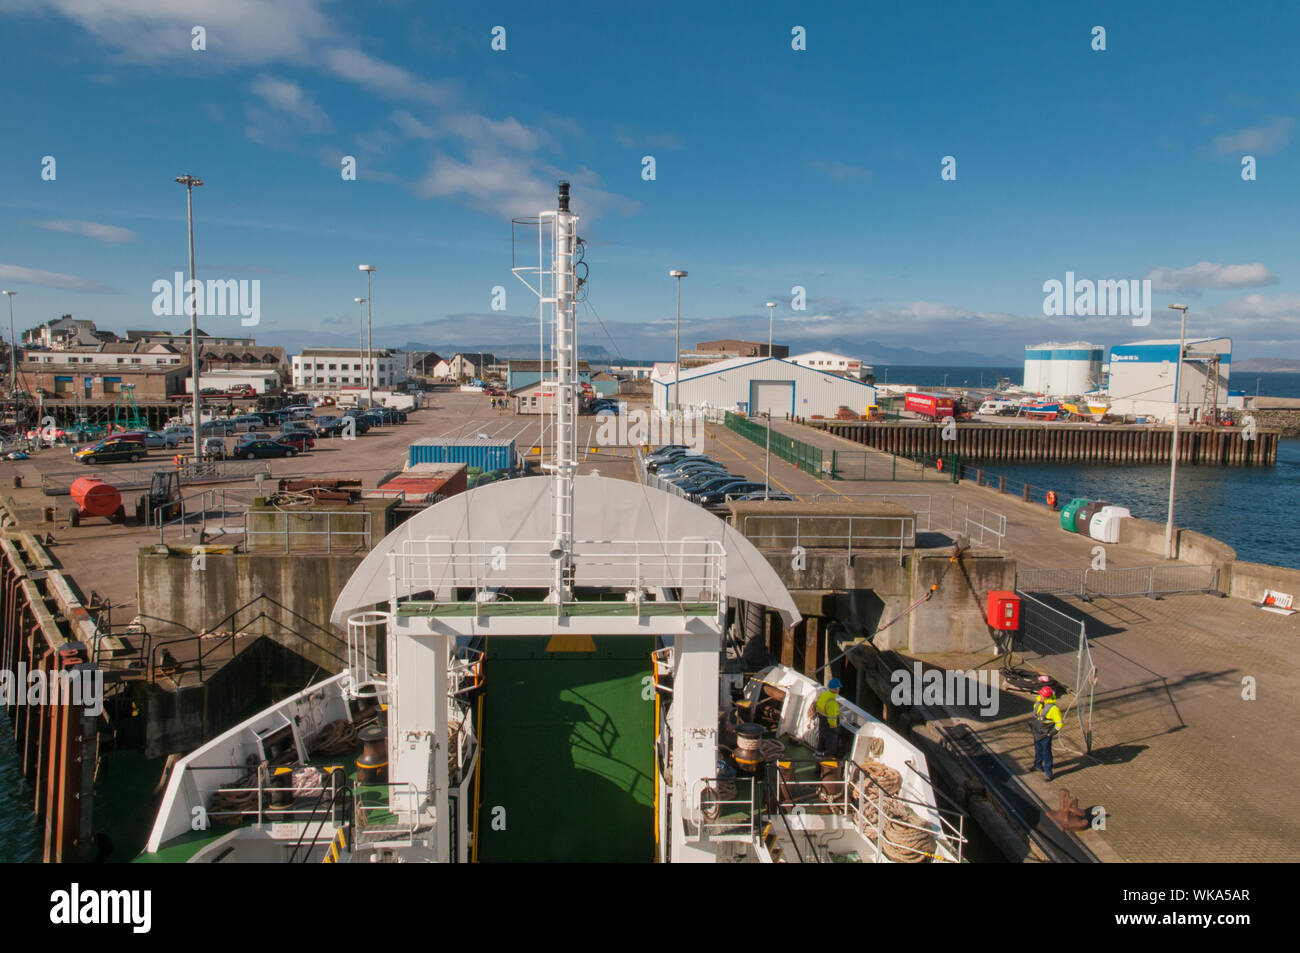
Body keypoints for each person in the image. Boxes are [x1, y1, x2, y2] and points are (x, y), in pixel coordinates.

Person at [1031, 686, 1063, 780]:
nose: (1040, 696)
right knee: (1038, 750)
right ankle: (1038, 765)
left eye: (1042, 695)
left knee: (1046, 753)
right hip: (1037, 732)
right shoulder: (1038, 704)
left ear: (1046, 697)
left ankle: (1048, 772)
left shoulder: (1054, 709)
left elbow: (1059, 723)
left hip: (1045, 734)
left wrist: (1052, 732)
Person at [815, 677, 842, 758]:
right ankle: (826, 764)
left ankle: (818, 759)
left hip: (822, 723)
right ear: (836, 689)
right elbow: (832, 718)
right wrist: (834, 728)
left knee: (821, 741)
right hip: (829, 726)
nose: (839, 689)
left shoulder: (823, 695)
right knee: (831, 745)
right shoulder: (832, 702)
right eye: (838, 688)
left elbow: (817, 707)